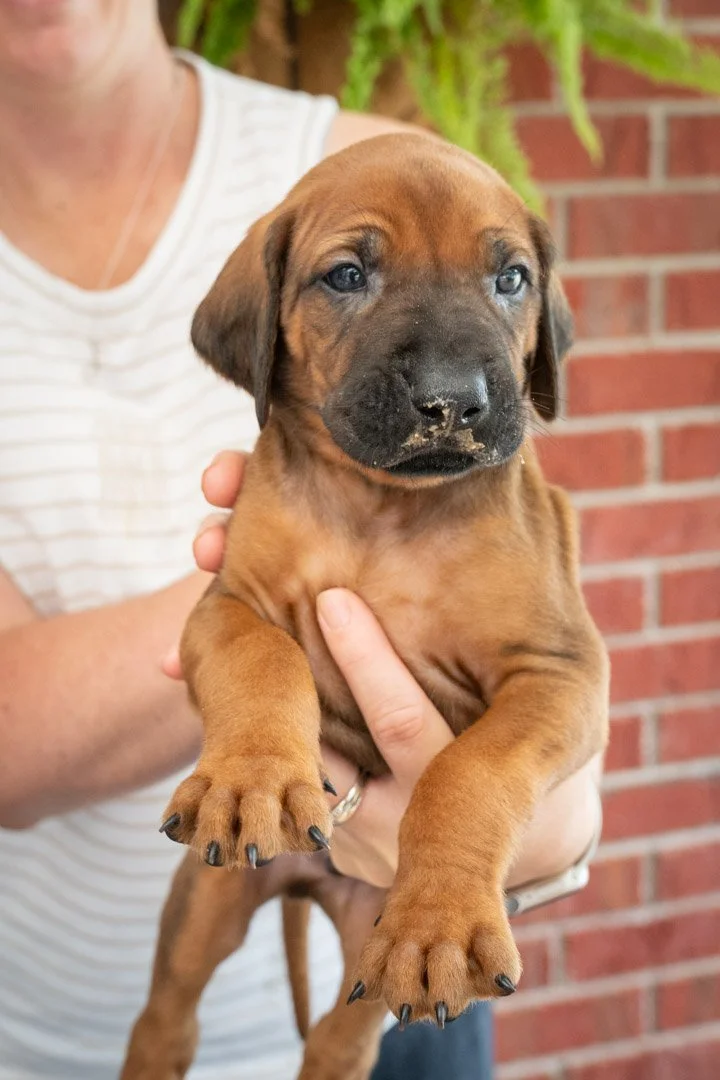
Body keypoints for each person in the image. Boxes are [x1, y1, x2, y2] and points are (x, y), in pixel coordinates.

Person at [0, 1, 602, 1077]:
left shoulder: (360, 154)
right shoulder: (284, 288)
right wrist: (267, 655)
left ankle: (343, 1038)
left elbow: (561, 695)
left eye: (504, 280)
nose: (449, 389)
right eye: (348, 277)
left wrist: (516, 839)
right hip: (41, 1026)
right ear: (260, 337)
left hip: (433, 931)